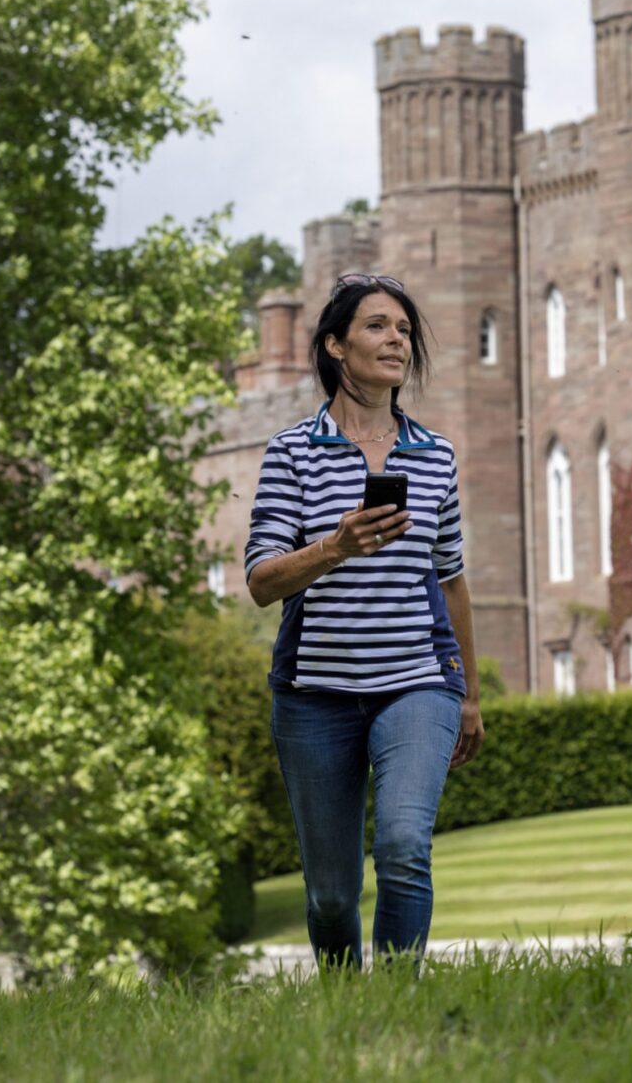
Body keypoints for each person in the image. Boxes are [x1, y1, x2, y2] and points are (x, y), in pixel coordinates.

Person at [244, 273, 486, 969]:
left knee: (405, 847)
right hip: (313, 694)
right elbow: (262, 581)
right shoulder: (292, 452)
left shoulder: (434, 455)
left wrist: (468, 691)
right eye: (378, 326)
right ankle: (345, 1011)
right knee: (328, 896)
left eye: (405, 330)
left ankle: (397, 1007)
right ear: (335, 346)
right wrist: (335, 547)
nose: (396, 340)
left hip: (417, 683)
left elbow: (451, 579)